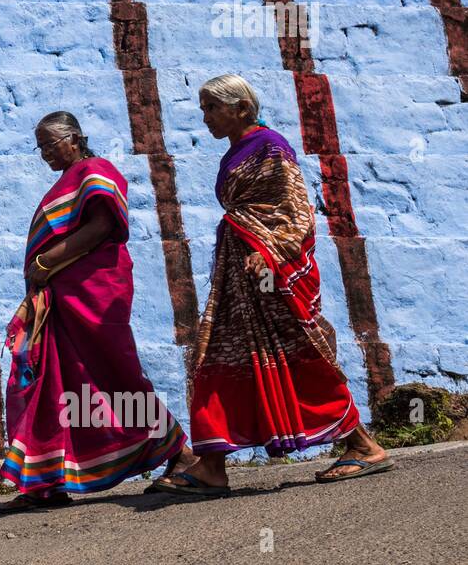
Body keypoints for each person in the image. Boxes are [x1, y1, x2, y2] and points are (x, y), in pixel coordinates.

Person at [152, 75, 391, 497]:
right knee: (225, 359)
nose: (204, 117)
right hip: (240, 273)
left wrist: (271, 251)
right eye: (203, 108)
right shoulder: (237, 152)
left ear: (241, 107)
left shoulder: (270, 147)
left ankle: (361, 443)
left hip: (268, 272)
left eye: (211, 108)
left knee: (294, 355)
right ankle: (211, 463)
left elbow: (296, 209)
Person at [0, 111, 188, 513]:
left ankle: (177, 452)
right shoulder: (63, 182)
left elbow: (102, 227)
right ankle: (46, 481)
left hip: (93, 295)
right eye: (41, 146)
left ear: (75, 138)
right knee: (55, 386)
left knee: (113, 375)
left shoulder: (95, 170)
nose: (46, 153)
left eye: (52, 143)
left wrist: (47, 263)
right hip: (61, 302)